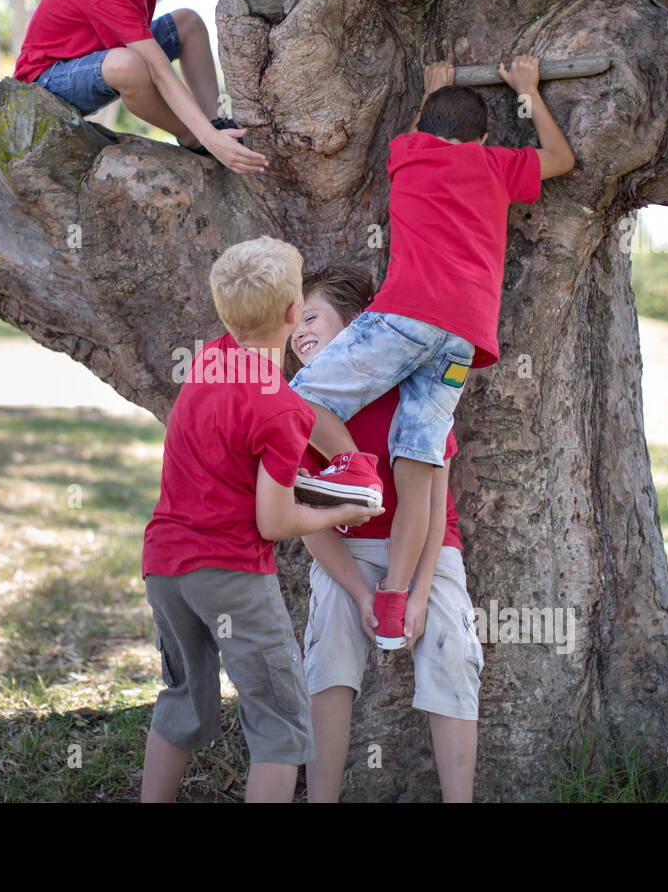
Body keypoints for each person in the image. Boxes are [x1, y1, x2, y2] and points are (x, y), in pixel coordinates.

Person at [289, 55, 575, 650]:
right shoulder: (497, 165)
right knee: (418, 460)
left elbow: (427, 128)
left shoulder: (407, 153)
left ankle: (351, 470)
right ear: (485, 137)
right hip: (463, 337)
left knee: (297, 399)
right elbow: (563, 159)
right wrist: (528, 90)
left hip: (408, 316)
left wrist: (433, 88)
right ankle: (394, 600)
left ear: (424, 125)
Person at [140, 237, 382, 803]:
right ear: (294, 313)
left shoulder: (211, 357)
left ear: (225, 314)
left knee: (184, 698)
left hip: (164, 567)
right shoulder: (280, 406)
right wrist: (347, 506)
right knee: (280, 725)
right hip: (231, 574)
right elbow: (273, 522)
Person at [289, 265, 482, 802]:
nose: (298, 333)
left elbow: (434, 503)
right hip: (345, 551)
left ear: (357, 326)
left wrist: (414, 594)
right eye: (292, 327)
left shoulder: (412, 388)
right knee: (327, 653)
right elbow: (305, 518)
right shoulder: (299, 407)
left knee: (453, 655)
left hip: (426, 551)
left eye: (311, 317)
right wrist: (359, 591)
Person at [13, 0, 267, 175]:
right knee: (129, 65)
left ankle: (219, 126)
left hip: (96, 57)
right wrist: (207, 138)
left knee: (187, 23)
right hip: (46, 80)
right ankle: (195, 137)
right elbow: (160, 73)